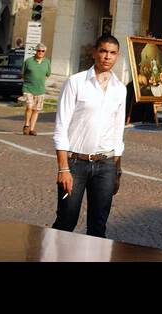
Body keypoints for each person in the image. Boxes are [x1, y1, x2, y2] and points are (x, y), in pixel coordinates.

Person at [53, 35, 126, 238]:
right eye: (103, 51)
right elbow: (61, 127)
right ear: (94, 52)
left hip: (106, 165)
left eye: (112, 53)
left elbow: (118, 131)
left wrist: (117, 171)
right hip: (75, 163)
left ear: (117, 56)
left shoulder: (120, 89)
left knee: (98, 227)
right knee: (66, 221)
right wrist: (63, 168)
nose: (107, 57)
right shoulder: (75, 83)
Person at [22, 44, 51, 136]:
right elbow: (23, 74)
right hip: (28, 88)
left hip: (40, 89)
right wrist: (29, 81)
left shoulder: (47, 62)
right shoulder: (28, 61)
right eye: (39, 50)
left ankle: (32, 129)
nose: (40, 53)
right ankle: (26, 125)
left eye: (43, 51)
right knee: (29, 106)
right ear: (36, 51)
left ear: (45, 52)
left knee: (36, 109)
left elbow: (48, 74)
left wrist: (40, 81)